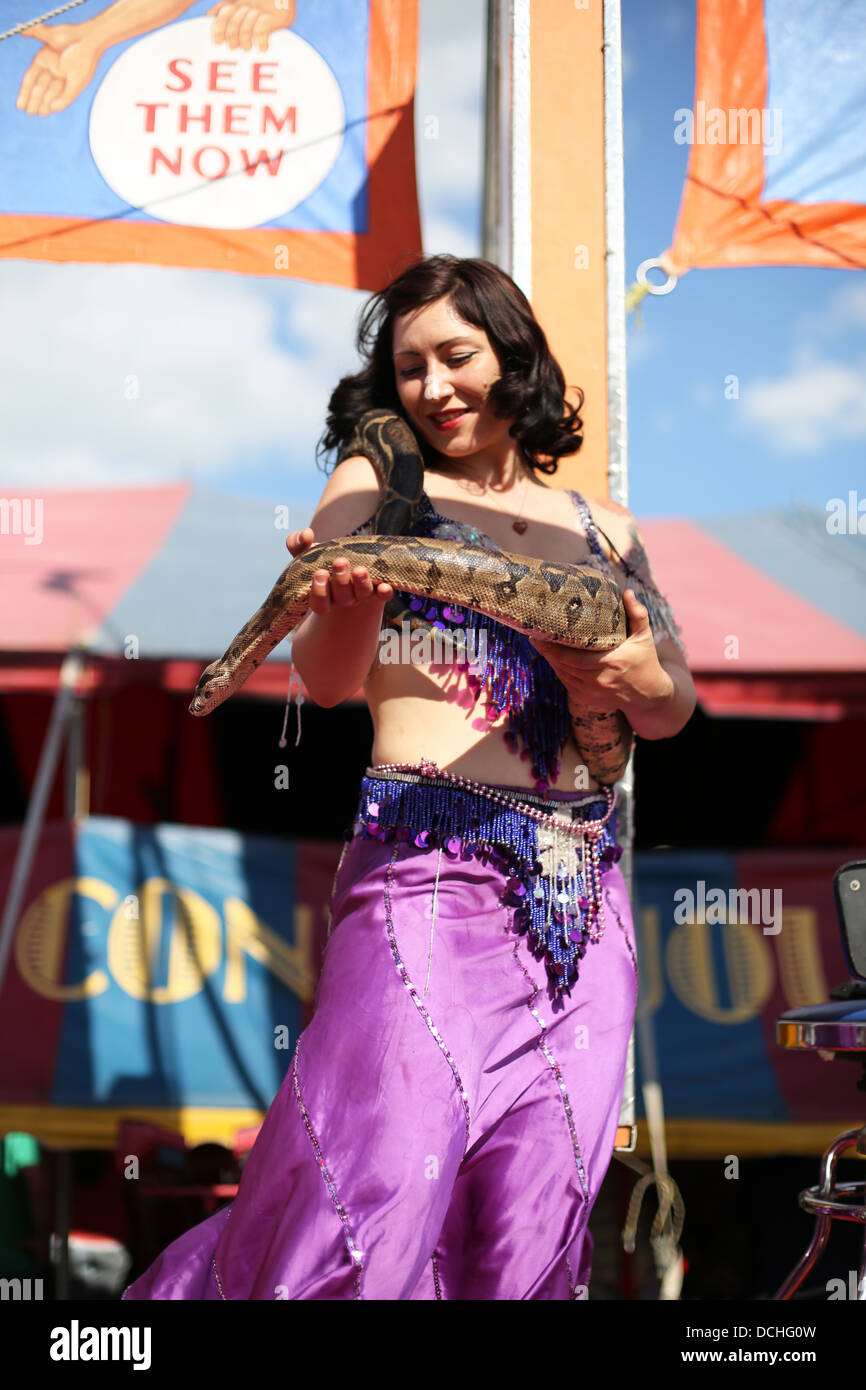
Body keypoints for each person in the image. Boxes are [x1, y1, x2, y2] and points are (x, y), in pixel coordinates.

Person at [123, 253, 696, 1301]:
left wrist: (632, 672)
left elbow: (668, 709)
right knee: (374, 1182)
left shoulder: (602, 529)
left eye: (455, 356)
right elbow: (331, 680)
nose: (432, 387)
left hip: (582, 889)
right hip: (423, 869)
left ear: (510, 357)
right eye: (410, 367)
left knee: (540, 1194)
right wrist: (342, 590)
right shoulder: (377, 487)